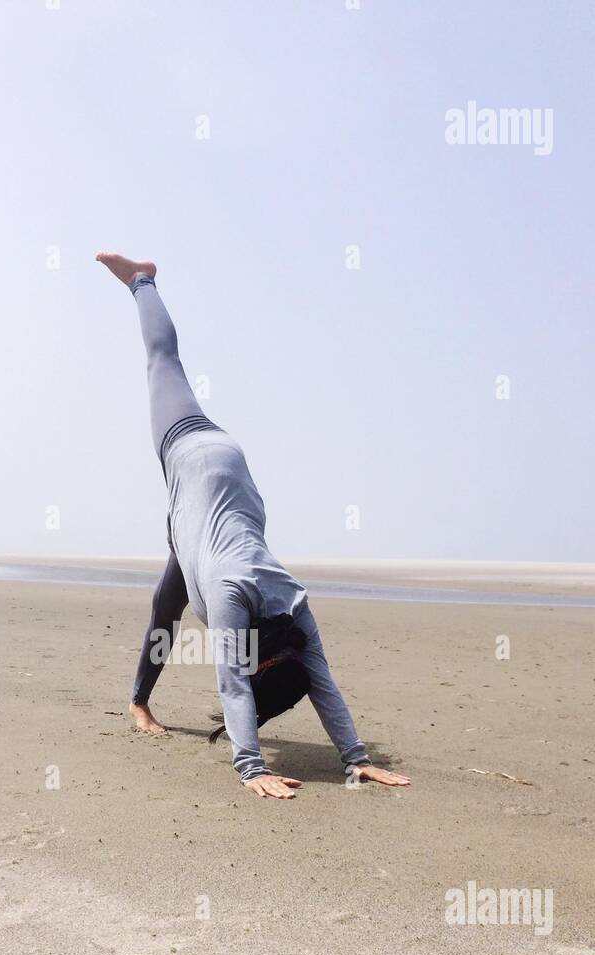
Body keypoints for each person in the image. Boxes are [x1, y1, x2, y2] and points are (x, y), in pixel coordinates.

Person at [97, 252, 411, 801]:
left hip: (230, 483)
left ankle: (139, 700)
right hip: (190, 449)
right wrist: (251, 767)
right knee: (162, 359)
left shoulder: (294, 602)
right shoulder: (231, 597)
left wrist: (357, 759)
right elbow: (233, 684)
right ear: (264, 656)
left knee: (166, 602)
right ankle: (141, 279)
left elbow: (321, 683)